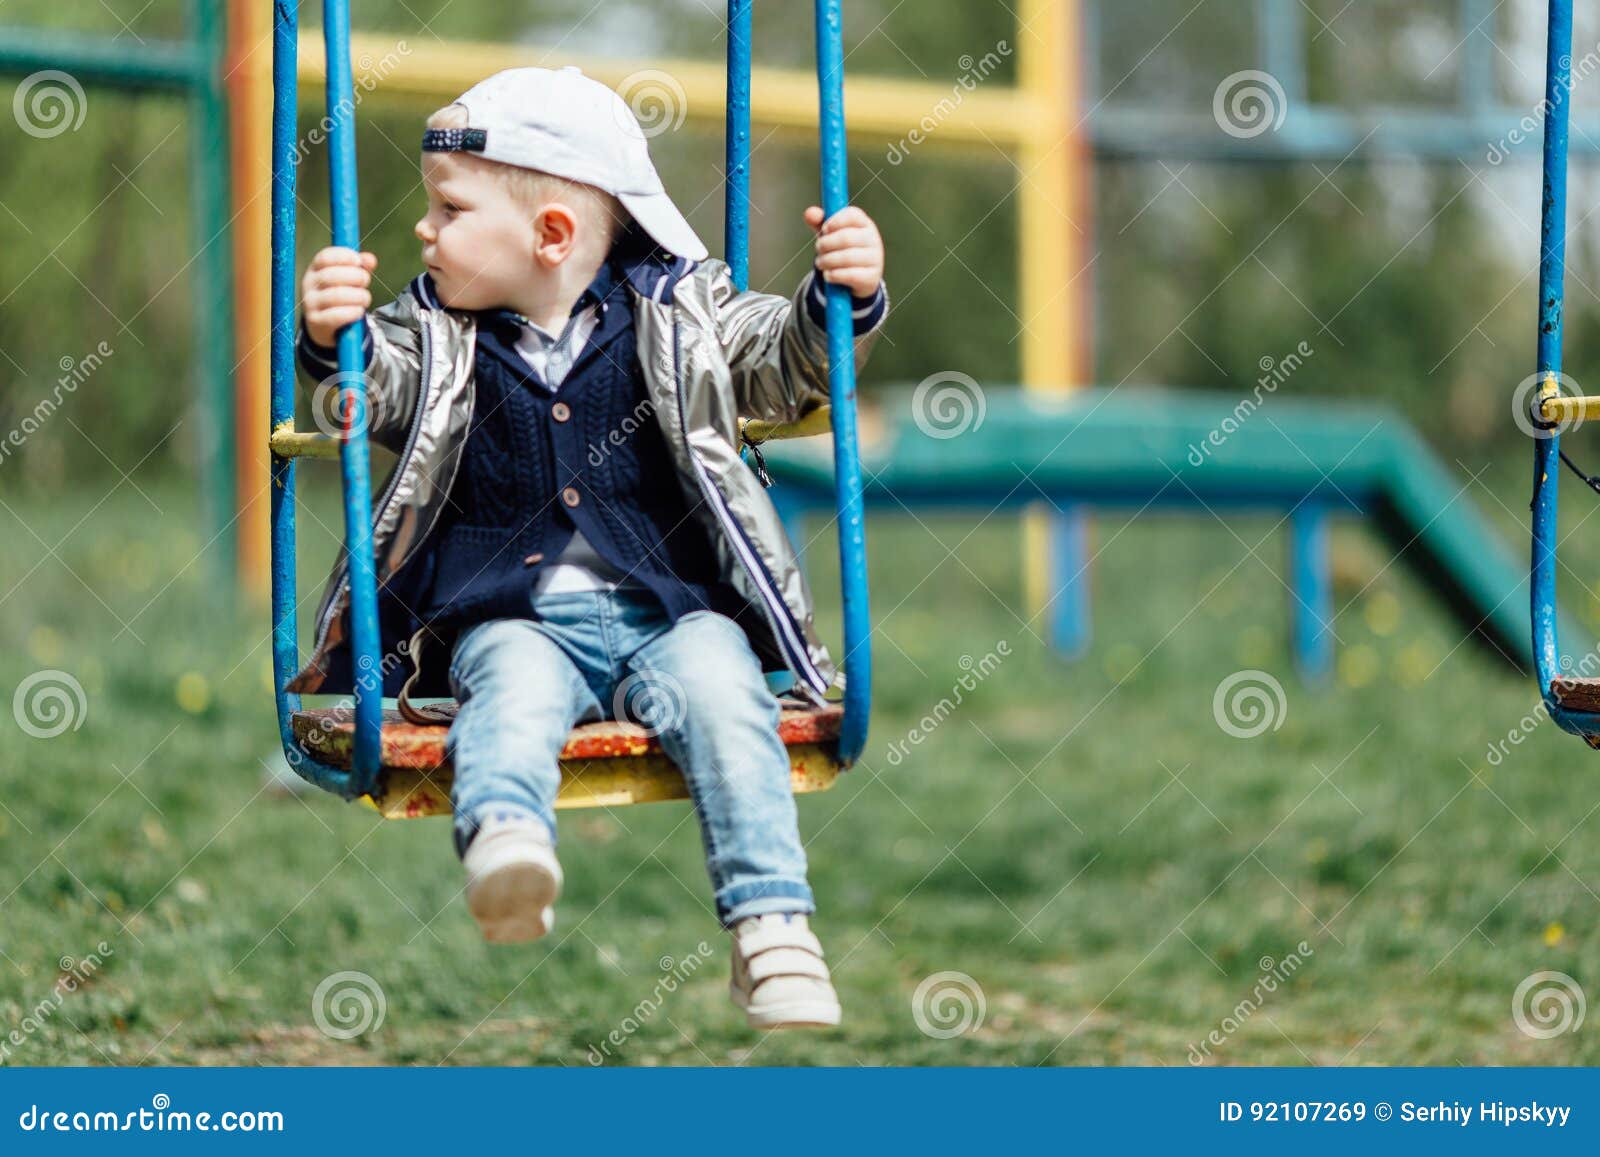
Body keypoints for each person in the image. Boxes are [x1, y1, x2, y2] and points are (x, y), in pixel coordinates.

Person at [290, 67, 888, 1030]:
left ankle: (773, 922)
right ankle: (508, 846)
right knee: (511, 696)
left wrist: (836, 298)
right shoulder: (437, 332)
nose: (423, 230)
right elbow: (377, 389)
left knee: (729, 700)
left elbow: (781, 367)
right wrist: (333, 335)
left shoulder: (682, 314)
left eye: (447, 207)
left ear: (552, 234)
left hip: (672, 614)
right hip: (512, 617)